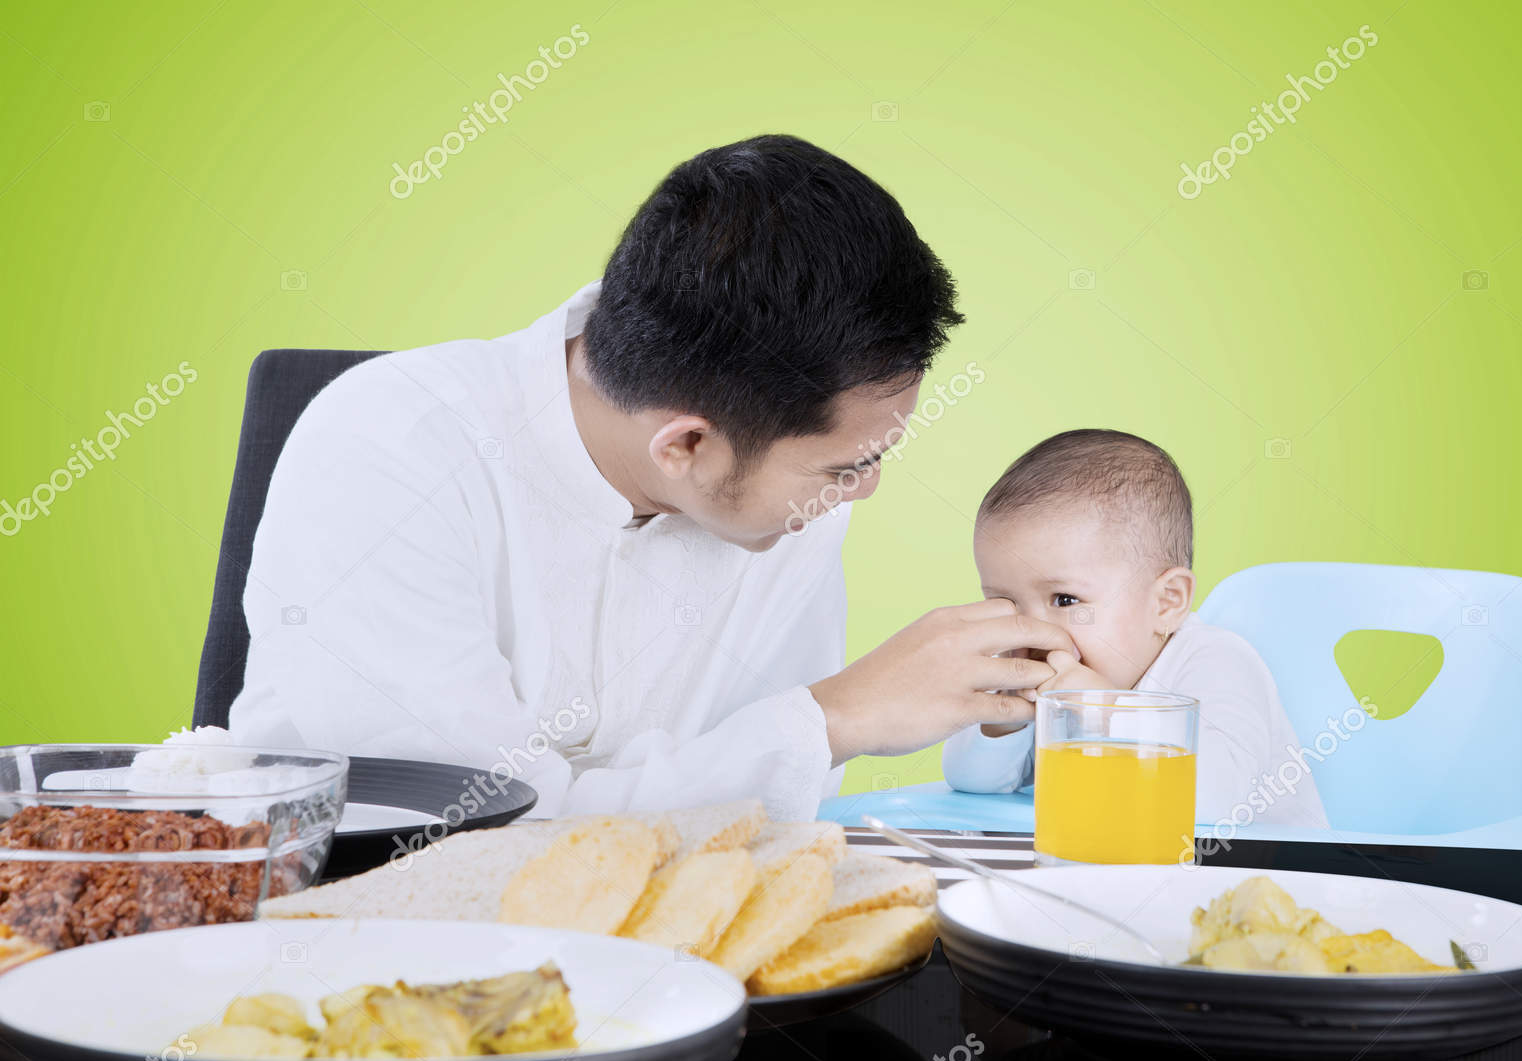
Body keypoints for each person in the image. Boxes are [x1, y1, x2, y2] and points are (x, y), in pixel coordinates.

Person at [230, 134, 1079, 820]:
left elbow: (763, 815)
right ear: (686, 446)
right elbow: (473, 831)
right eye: (848, 465)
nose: (863, 490)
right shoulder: (389, 450)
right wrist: (836, 716)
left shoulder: (790, 504)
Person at [942, 429, 1328, 827]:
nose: (1033, 630)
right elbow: (971, 783)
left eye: (1065, 600)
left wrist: (1106, 713)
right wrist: (1000, 719)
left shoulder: (1216, 662)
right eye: (1005, 603)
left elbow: (1218, 801)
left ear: (1166, 602)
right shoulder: (1036, 678)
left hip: (1261, 875)